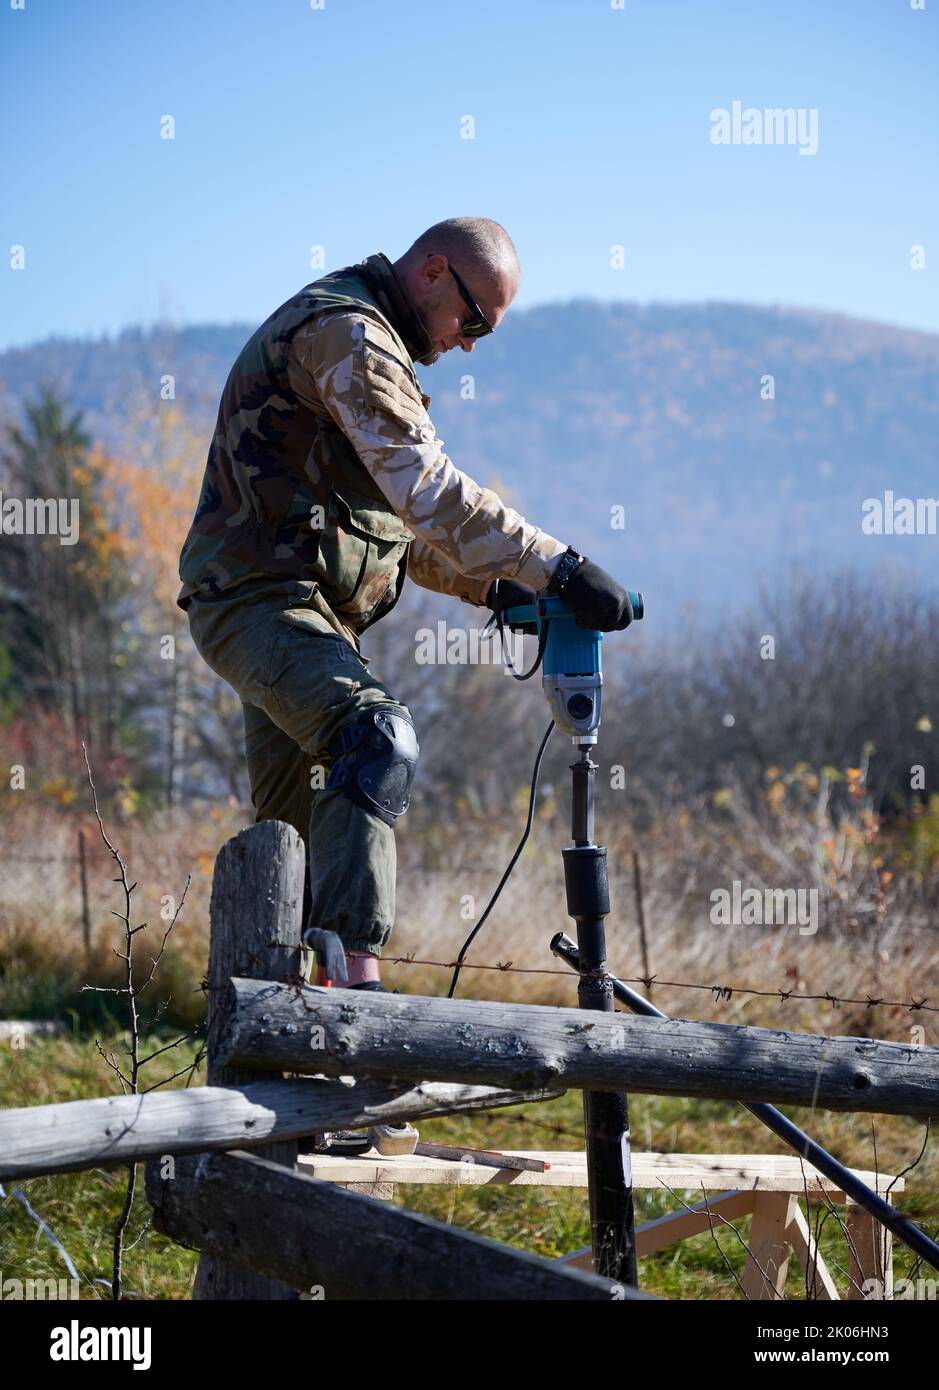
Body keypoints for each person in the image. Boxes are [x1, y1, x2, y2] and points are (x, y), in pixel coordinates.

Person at [177, 216, 634, 993]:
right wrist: (559, 567)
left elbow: (399, 531)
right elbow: (428, 494)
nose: (469, 343)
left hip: (304, 615)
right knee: (375, 739)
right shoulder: (350, 338)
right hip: (258, 604)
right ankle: (361, 1001)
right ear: (431, 274)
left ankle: (295, 1066)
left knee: (290, 851)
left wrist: (502, 586)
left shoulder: (370, 343)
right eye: (474, 319)